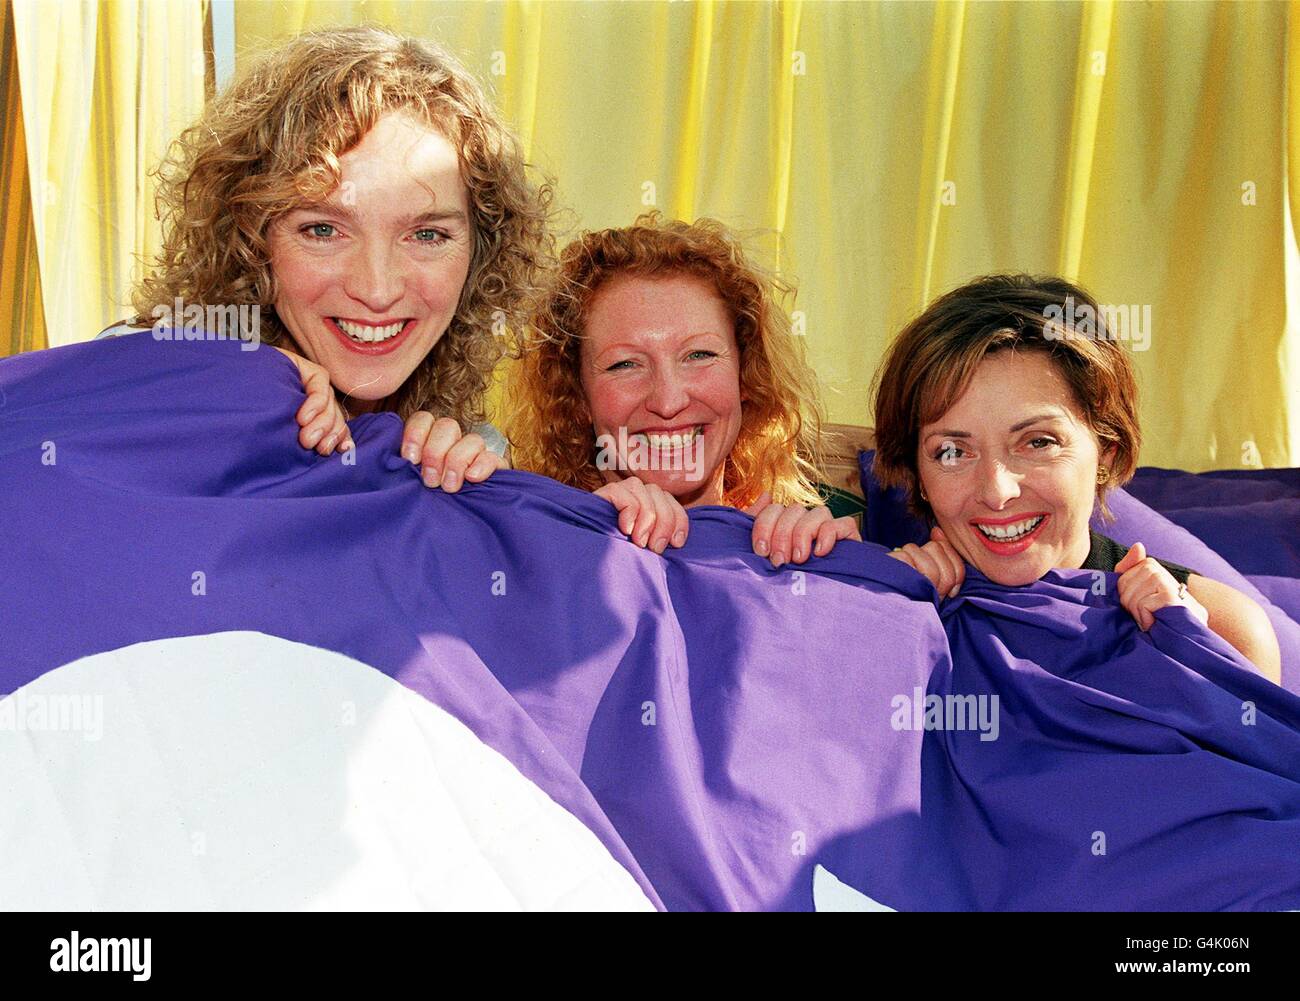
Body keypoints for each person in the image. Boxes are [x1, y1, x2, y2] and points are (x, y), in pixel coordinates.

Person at [116, 24, 552, 491]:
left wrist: (491, 516)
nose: (377, 290)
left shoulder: (470, 454)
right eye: (323, 230)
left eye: (427, 235)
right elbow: (90, 372)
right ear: (249, 240)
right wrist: (235, 371)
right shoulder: (171, 382)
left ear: (479, 258)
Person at [871, 273, 1282, 683]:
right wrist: (882, 627)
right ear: (917, 473)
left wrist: (1195, 667)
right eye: (953, 451)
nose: (997, 491)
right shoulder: (887, 611)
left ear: (1107, 449)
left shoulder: (1224, 630)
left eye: (1038, 442)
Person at [491, 213, 860, 563]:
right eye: (625, 364)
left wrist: (840, 583)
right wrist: (577, 545)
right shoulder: (523, 546)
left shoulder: (788, 550)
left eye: (699, 355)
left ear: (745, 375)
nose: (668, 401)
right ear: (577, 395)